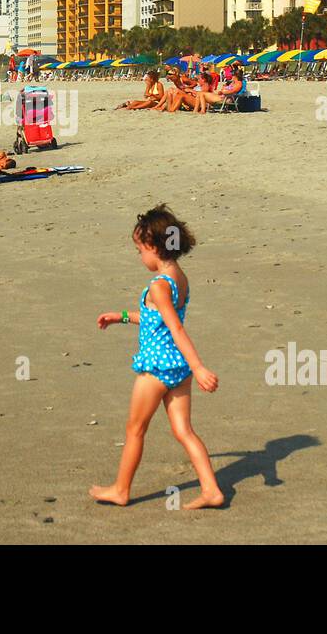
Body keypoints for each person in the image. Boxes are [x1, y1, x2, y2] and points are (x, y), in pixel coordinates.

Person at [89, 205, 223, 509]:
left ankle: (121, 490)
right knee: (184, 431)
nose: (140, 257)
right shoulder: (179, 277)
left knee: (135, 429)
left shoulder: (159, 285)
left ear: (152, 247)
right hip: (178, 368)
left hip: (157, 368)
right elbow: (156, 319)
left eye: (139, 250)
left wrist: (200, 366)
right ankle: (211, 490)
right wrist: (121, 316)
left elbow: (175, 328)